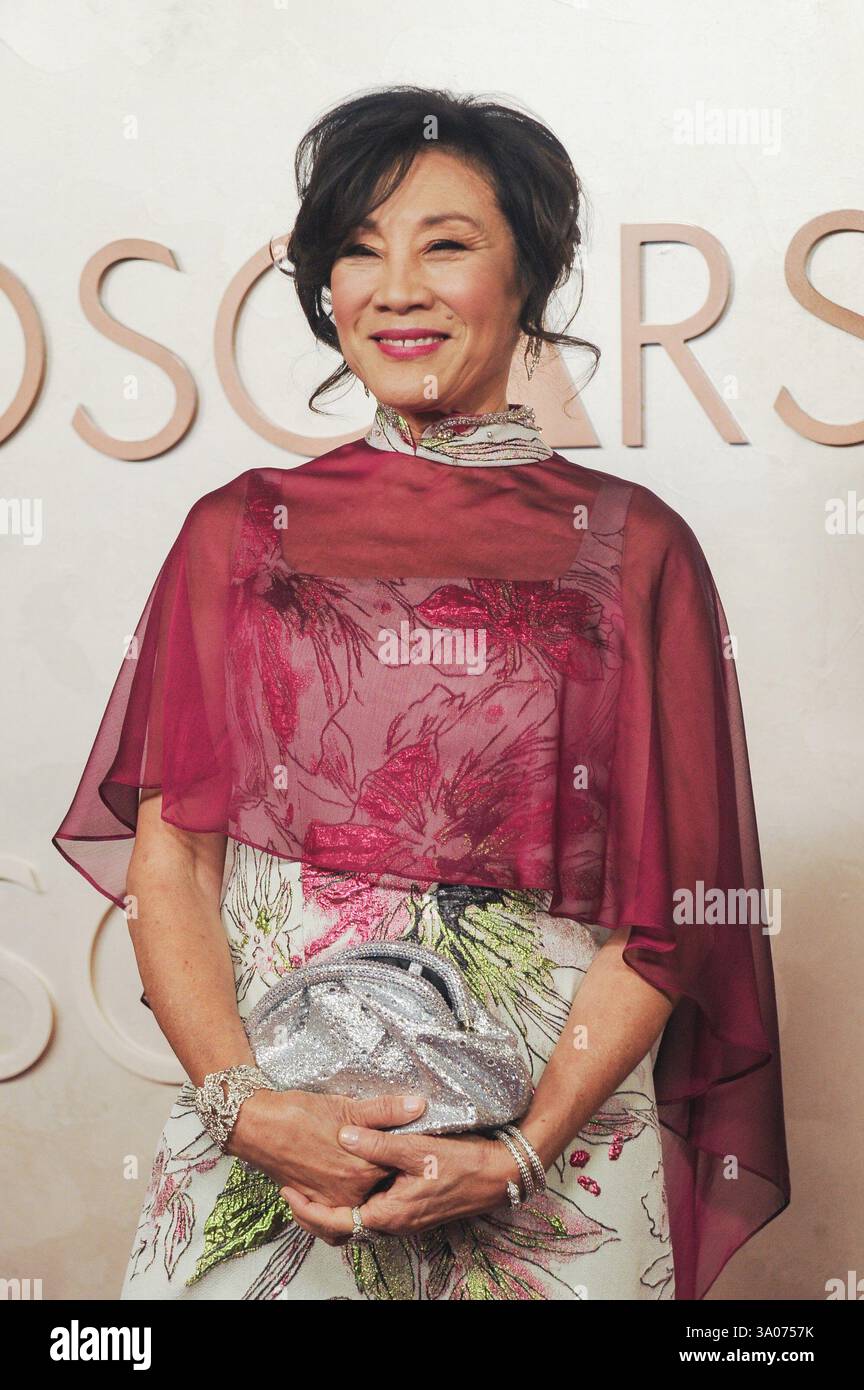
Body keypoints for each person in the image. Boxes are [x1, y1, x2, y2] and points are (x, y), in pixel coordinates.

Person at [53, 85, 790, 1301]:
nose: (395, 287)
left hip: (546, 1160)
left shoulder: (634, 545)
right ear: (325, 290)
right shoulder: (236, 532)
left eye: (446, 244)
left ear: (530, 275)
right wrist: (244, 1108)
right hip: (275, 1138)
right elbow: (172, 862)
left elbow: (667, 915)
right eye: (357, 250)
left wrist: (521, 1146)